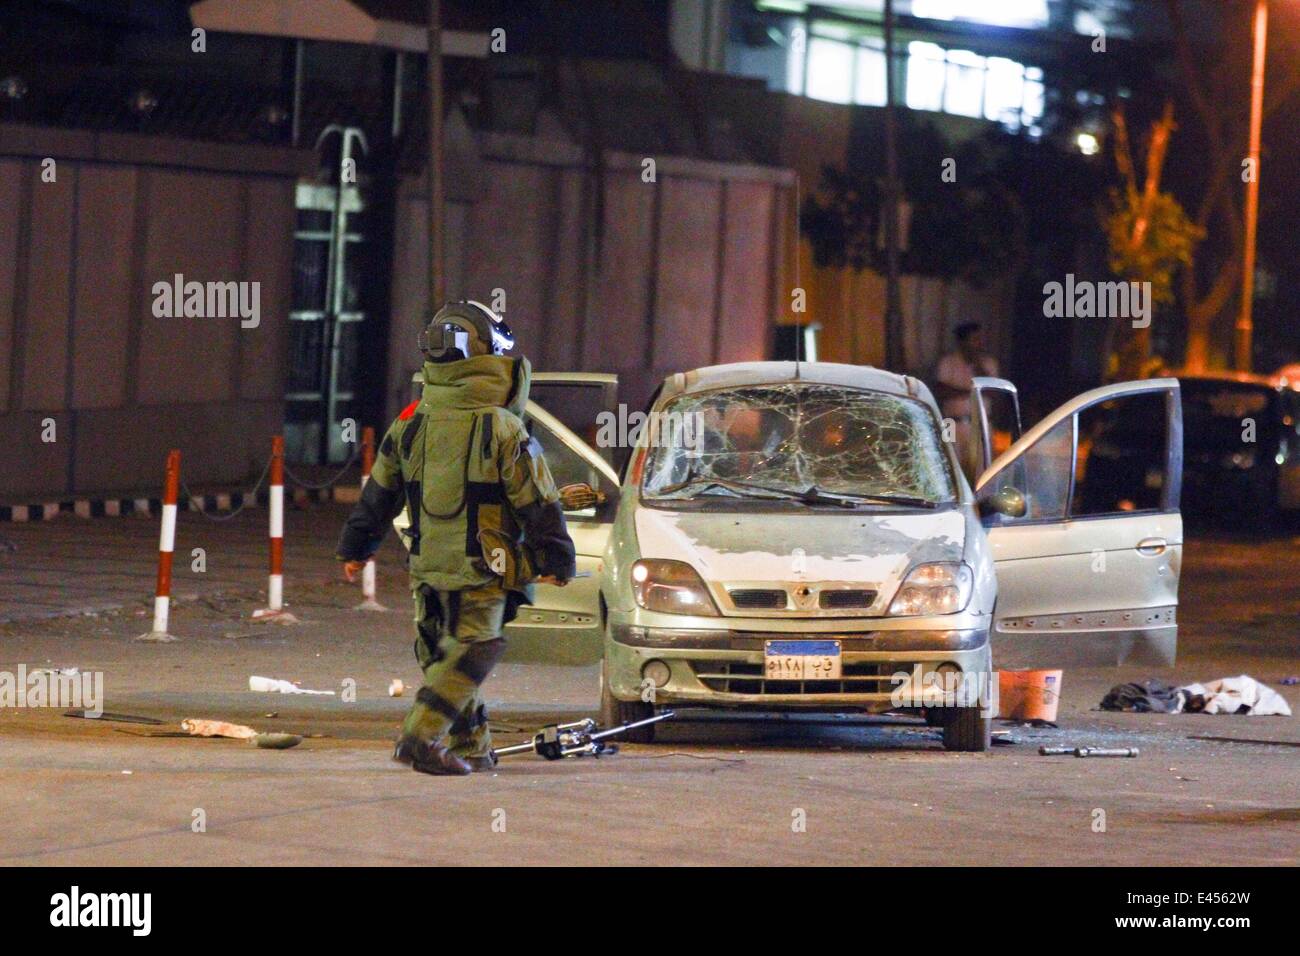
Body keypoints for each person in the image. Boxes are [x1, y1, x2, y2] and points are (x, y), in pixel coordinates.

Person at [335, 301, 576, 776]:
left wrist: (356, 548)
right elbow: (538, 499)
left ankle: (471, 747)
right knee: (475, 649)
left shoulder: (411, 422)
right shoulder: (503, 427)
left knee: (443, 654)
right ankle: (419, 738)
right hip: (486, 568)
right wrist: (556, 557)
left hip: (426, 565)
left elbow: (379, 493)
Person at [933, 322, 998, 476]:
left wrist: (977, 365)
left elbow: (992, 392)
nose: (979, 343)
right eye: (974, 339)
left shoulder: (989, 363)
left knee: (982, 473)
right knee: (950, 472)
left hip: (980, 424)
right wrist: (974, 392)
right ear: (962, 341)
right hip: (951, 423)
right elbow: (942, 391)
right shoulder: (947, 362)